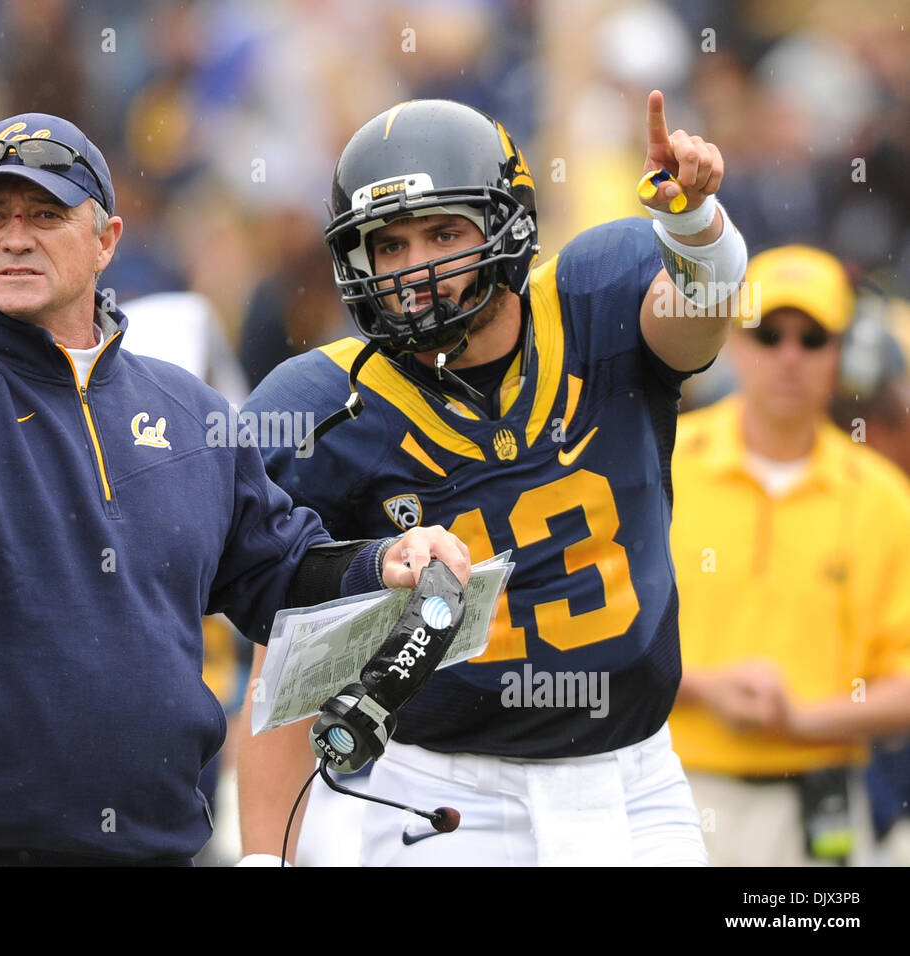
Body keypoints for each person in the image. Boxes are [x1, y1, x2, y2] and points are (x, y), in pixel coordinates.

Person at [0, 112, 471, 867]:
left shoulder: (191, 410)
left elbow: (276, 575)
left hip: (153, 849)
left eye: (46, 215)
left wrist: (382, 564)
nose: (15, 238)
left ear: (106, 240)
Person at [237, 92, 747, 866]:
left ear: (508, 225)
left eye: (444, 233)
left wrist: (696, 228)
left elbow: (700, 322)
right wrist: (263, 859)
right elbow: (286, 656)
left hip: (633, 782)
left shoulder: (594, 296)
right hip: (443, 797)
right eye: (391, 245)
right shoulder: (323, 406)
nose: (417, 270)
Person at [667, 245, 910, 866]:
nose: (790, 357)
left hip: (819, 814)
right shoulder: (663, 464)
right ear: (735, 341)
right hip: (669, 798)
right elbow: (598, 634)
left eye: (813, 338)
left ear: (842, 353)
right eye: (769, 335)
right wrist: (705, 689)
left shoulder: (883, 498)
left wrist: (801, 720)